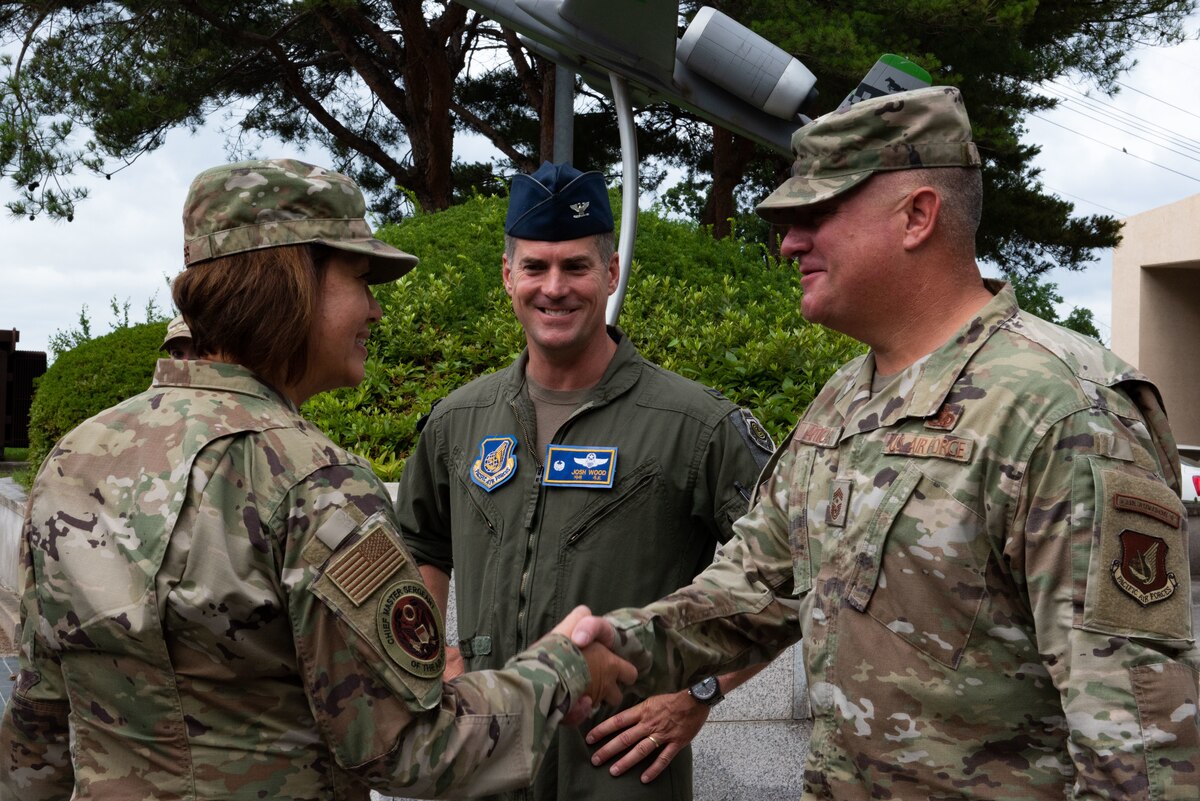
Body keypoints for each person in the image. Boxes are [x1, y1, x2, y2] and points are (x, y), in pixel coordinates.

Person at [570, 86, 1200, 800]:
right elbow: (747, 595)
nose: (789, 243)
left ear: (917, 215)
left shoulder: (1063, 410)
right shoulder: (843, 401)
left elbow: (1143, 760)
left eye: (817, 214)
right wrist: (604, 646)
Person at [0, 157, 634, 801]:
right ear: (293, 282)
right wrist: (565, 668)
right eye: (360, 279)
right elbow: (411, 749)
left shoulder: (75, 460)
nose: (376, 309)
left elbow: (39, 721)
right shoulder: (312, 485)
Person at [396, 161, 774, 800]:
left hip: (617, 777)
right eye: (536, 267)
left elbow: (795, 572)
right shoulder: (458, 421)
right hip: (480, 769)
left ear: (611, 273)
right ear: (508, 277)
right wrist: (439, 664)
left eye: (575, 266)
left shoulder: (695, 426)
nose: (554, 288)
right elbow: (417, 547)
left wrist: (700, 693)